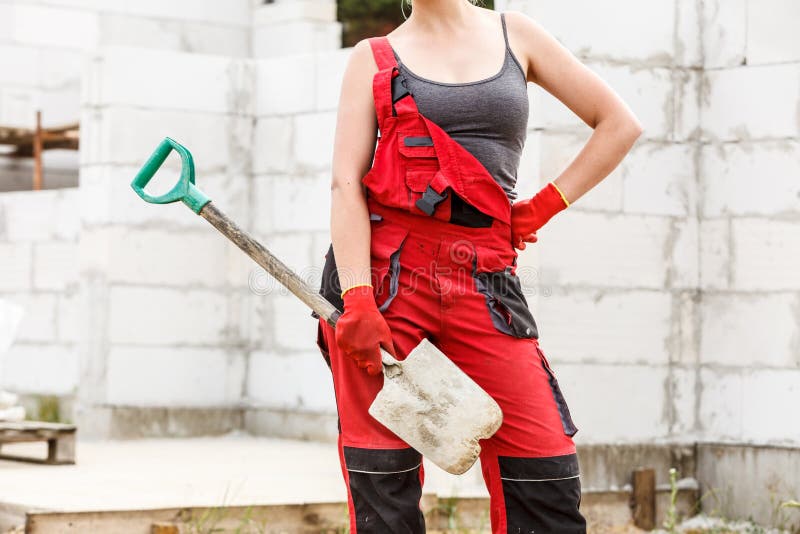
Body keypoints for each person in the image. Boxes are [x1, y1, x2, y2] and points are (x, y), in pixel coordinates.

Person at [314, 0, 643, 532]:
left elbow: (619, 124)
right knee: (384, 484)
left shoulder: (519, 36)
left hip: (486, 280)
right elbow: (345, 184)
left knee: (544, 473)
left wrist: (542, 205)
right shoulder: (372, 58)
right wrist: (356, 298)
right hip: (386, 281)